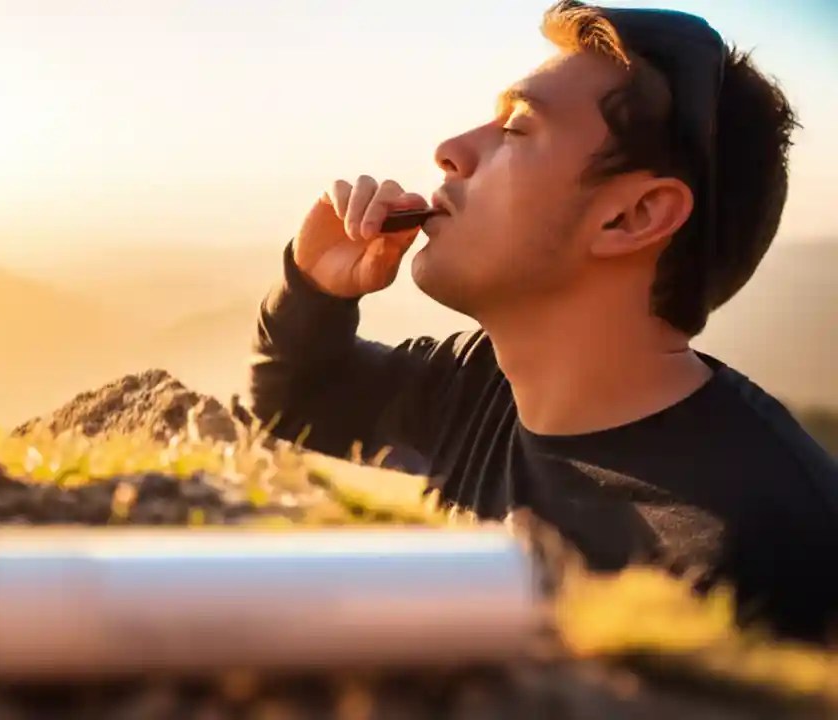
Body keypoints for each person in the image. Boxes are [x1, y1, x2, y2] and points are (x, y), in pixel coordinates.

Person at [246, 0, 838, 645]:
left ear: (632, 217)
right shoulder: (479, 383)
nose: (449, 151)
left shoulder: (756, 551)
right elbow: (297, 402)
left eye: (516, 128)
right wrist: (314, 287)